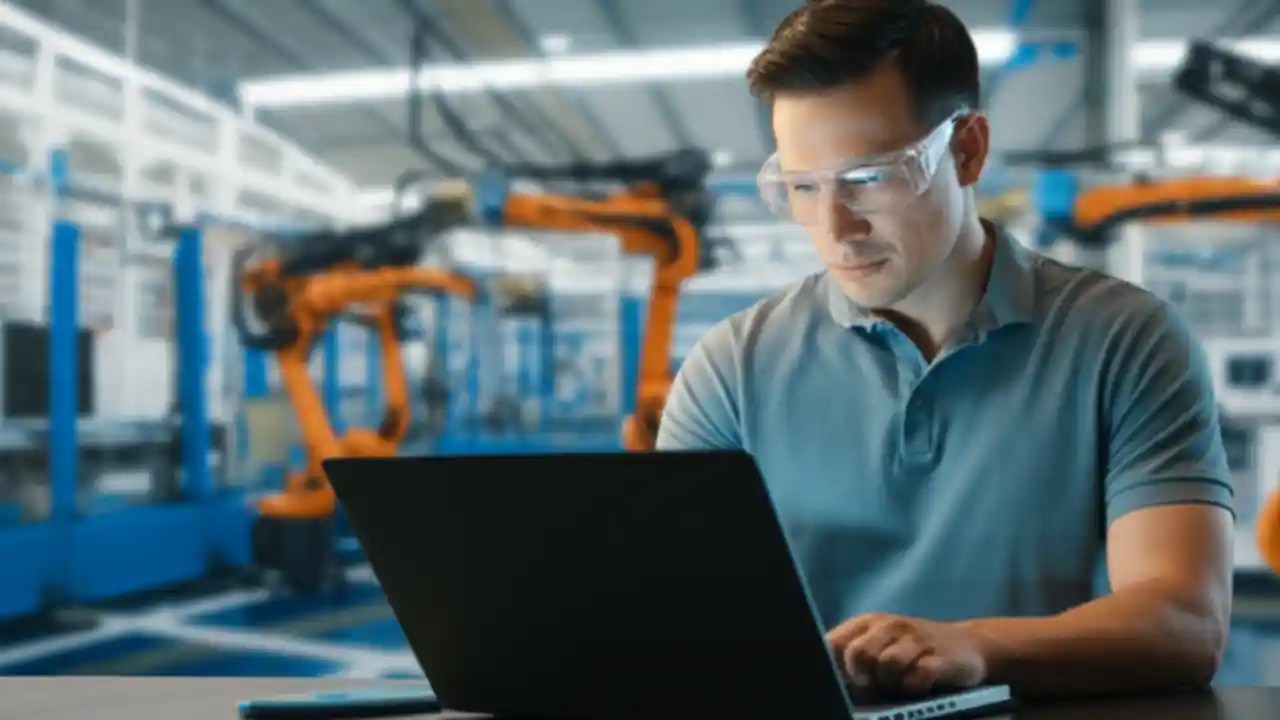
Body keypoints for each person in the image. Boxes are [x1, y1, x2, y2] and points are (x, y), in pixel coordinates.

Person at [656, 0, 1235, 702]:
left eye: (868, 177)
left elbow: (1185, 620)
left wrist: (979, 647)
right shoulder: (731, 370)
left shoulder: (1124, 342)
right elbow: (673, 620)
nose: (835, 227)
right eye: (803, 187)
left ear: (967, 151)